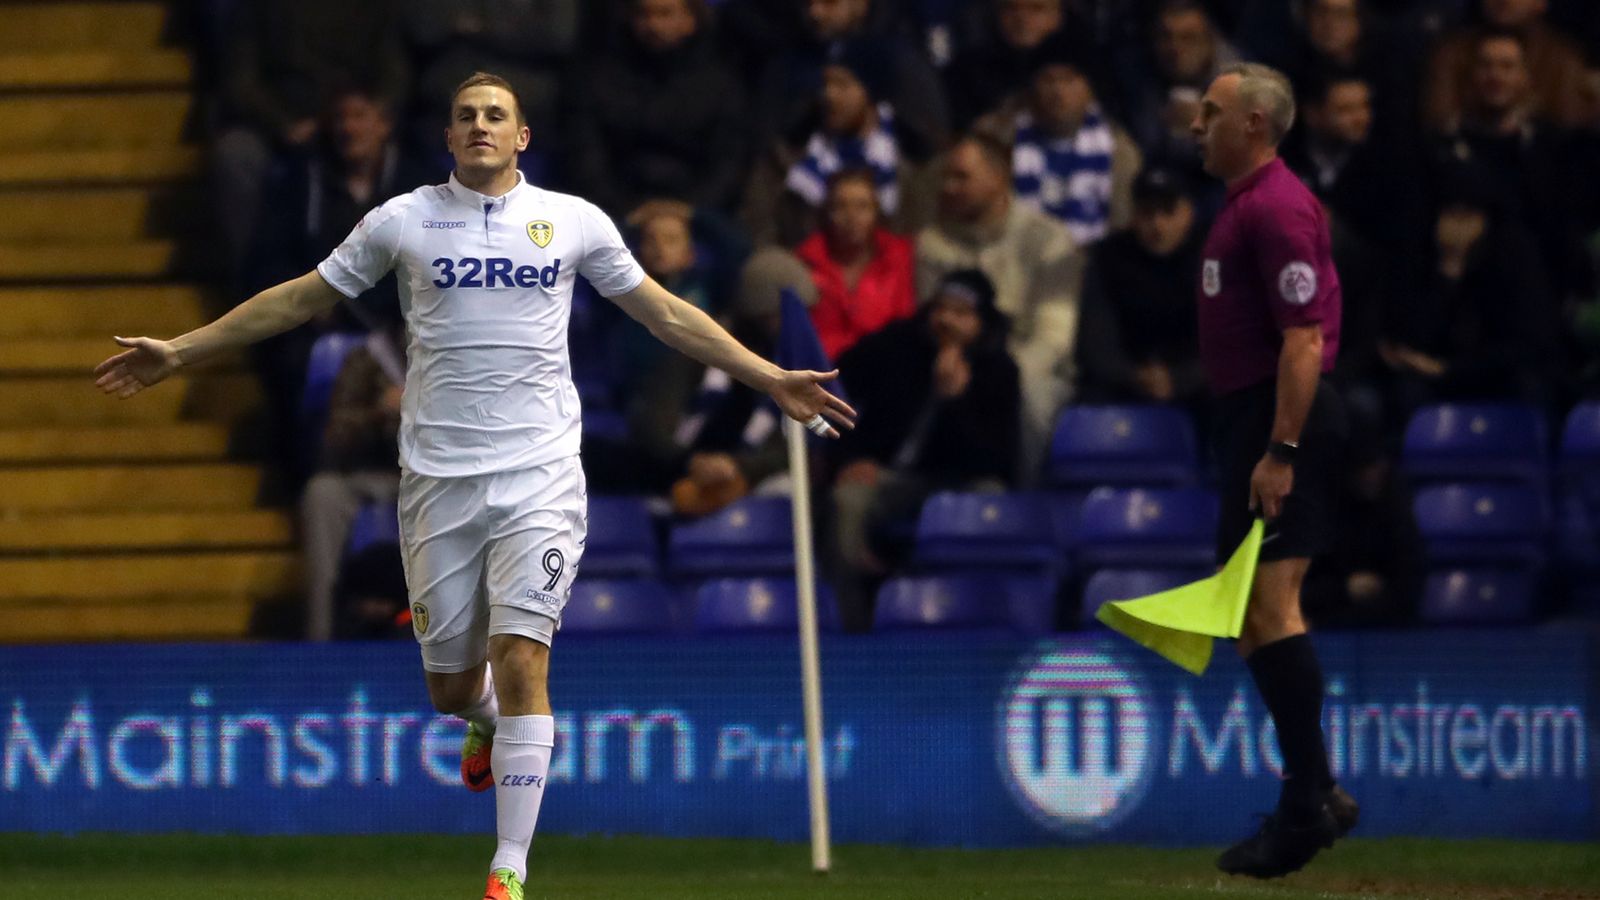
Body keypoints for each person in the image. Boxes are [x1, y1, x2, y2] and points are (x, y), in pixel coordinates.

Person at [93, 72, 855, 900]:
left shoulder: (573, 221)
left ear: (522, 136)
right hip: (438, 484)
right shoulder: (403, 221)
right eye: (467, 116)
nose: (481, 124)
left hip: (540, 477)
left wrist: (769, 376)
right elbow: (297, 300)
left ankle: (508, 869)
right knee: (451, 687)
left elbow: (666, 313)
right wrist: (183, 350)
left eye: (496, 114)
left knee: (523, 654)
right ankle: (483, 718)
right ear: (449, 138)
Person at [1187, 62, 1359, 877]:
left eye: (1211, 111)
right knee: (1251, 615)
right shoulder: (1244, 205)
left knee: (1269, 605)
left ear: (1253, 123)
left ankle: (1304, 807)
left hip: (1280, 419)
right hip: (1251, 418)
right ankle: (1316, 789)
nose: (1197, 125)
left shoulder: (1278, 207)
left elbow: (1304, 338)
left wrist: (1281, 449)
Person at [829, 269, 1020, 629]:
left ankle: (974, 614)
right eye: (940, 309)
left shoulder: (999, 369)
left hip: (961, 481)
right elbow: (835, 389)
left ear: (981, 322)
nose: (946, 320)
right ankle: (854, 617)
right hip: (892, 476)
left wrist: (955, 401)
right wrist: (851, 458)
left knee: (990, 496)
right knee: (848, 498)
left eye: (960, 313)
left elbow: (995, 460)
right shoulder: (897, 345)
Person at [916, 132, 1083, 480]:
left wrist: (995, 376)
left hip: (1028, 366)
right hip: (959, 361)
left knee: (1032, 394)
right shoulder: (932, 243)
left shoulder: (1049, 240)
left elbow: (1054, 339)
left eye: (962, 177)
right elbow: (931, 324)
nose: (949, 187)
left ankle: (1024, 498)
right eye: (947, 177)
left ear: (998, 177)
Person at [563, 0, 747, 215]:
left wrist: (684, 212)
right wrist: (633, 211)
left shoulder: (721, 84)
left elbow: (729, 163)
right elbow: (585, 157)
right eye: (643, 15)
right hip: (614, 209)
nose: (653, 25)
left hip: (700, 212)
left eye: (665, 14)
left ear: (691, 20)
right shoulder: (596, 78)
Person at [1074, 167, 1206, 410]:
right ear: (1133, 214)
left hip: (1196, 387)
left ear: (1189, 213)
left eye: (1168, 211)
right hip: (1121, 384)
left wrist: (1180, 379)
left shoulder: (1213, 258)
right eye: (1147, 213)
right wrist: (1136, 377)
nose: (1157, 224)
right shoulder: (1109, 257)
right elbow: (1094, 343)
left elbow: (1228, 343)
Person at [1003, 33, 1143, 246]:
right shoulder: (1002, 140)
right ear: (1032, 87)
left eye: (1069, 79)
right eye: (1048, 79)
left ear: (1089, 88)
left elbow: (1123, 225)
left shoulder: (1118, 150)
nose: (1058, 91)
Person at [796, 169, 917, 360]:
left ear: (877, 213)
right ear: (826, 213)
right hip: (820, 369)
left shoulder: (901, 259)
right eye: (840, 206)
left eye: (862, 207)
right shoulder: (804, 263)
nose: (851, 217)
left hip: (884, 368)